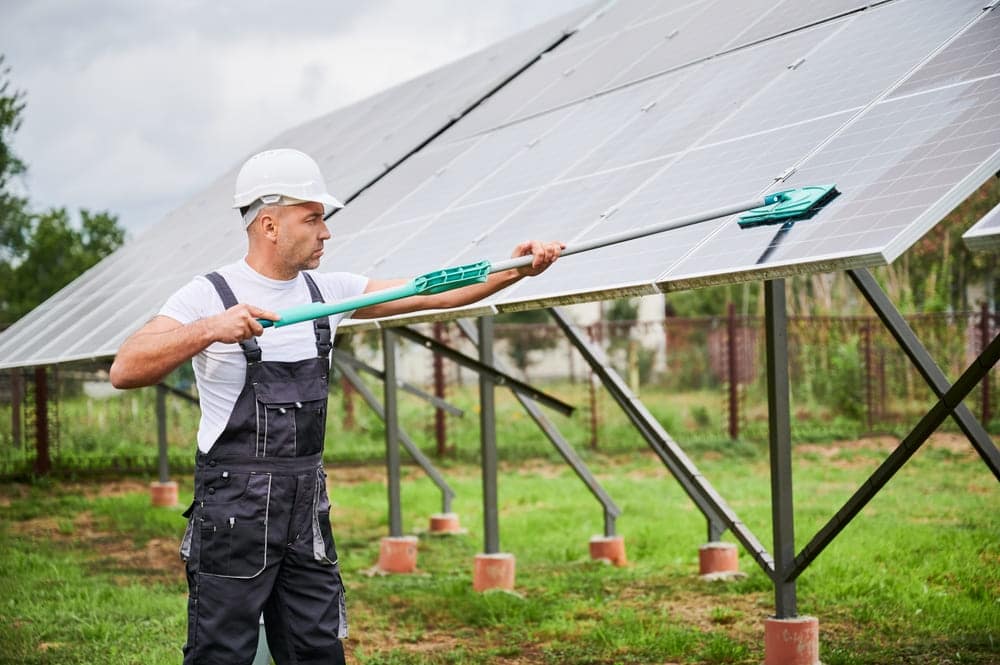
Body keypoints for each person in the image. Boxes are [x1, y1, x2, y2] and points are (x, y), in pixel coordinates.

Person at [109, 148, 563, 665]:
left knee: (317, 649)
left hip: (305, 508)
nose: (326, 232)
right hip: (234, 511)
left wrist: (518, 269)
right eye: (313, 217)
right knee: (222, 652)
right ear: (269, 224)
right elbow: (126, 368)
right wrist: (212, 328)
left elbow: (431, 294)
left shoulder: (330, 292)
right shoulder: (208, 295)